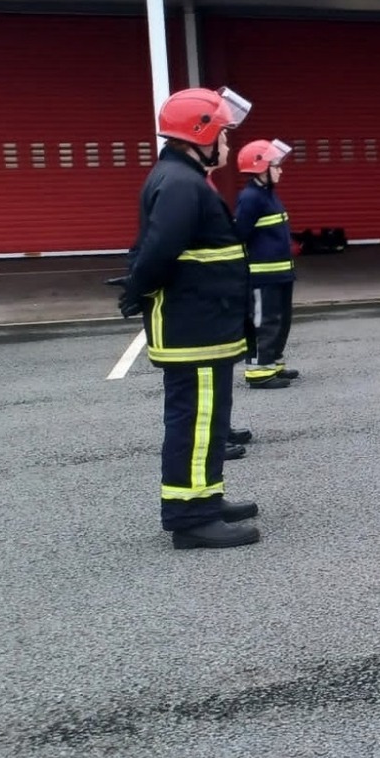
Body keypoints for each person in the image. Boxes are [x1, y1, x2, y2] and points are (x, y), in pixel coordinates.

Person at [117, 86, 261, 551]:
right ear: (201, 135)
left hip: (202, 326)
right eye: (223, 134)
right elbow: (160, 249)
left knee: (209, 420)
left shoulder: (181, 177)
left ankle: (206, 496)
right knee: (195, 421)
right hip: (193, 328)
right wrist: (136, 289)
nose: (228, 143)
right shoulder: (181, 183)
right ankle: (191, 518)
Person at [234, 138, 298, 389]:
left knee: (281, 321)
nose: (280, 169)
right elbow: (240, 234)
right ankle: (259, 372)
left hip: (281, 274)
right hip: (262, 277)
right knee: (264, 322)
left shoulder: (268, 195)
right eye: (276, 165)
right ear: (261, 167)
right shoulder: (250, 197)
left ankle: (273, 363)